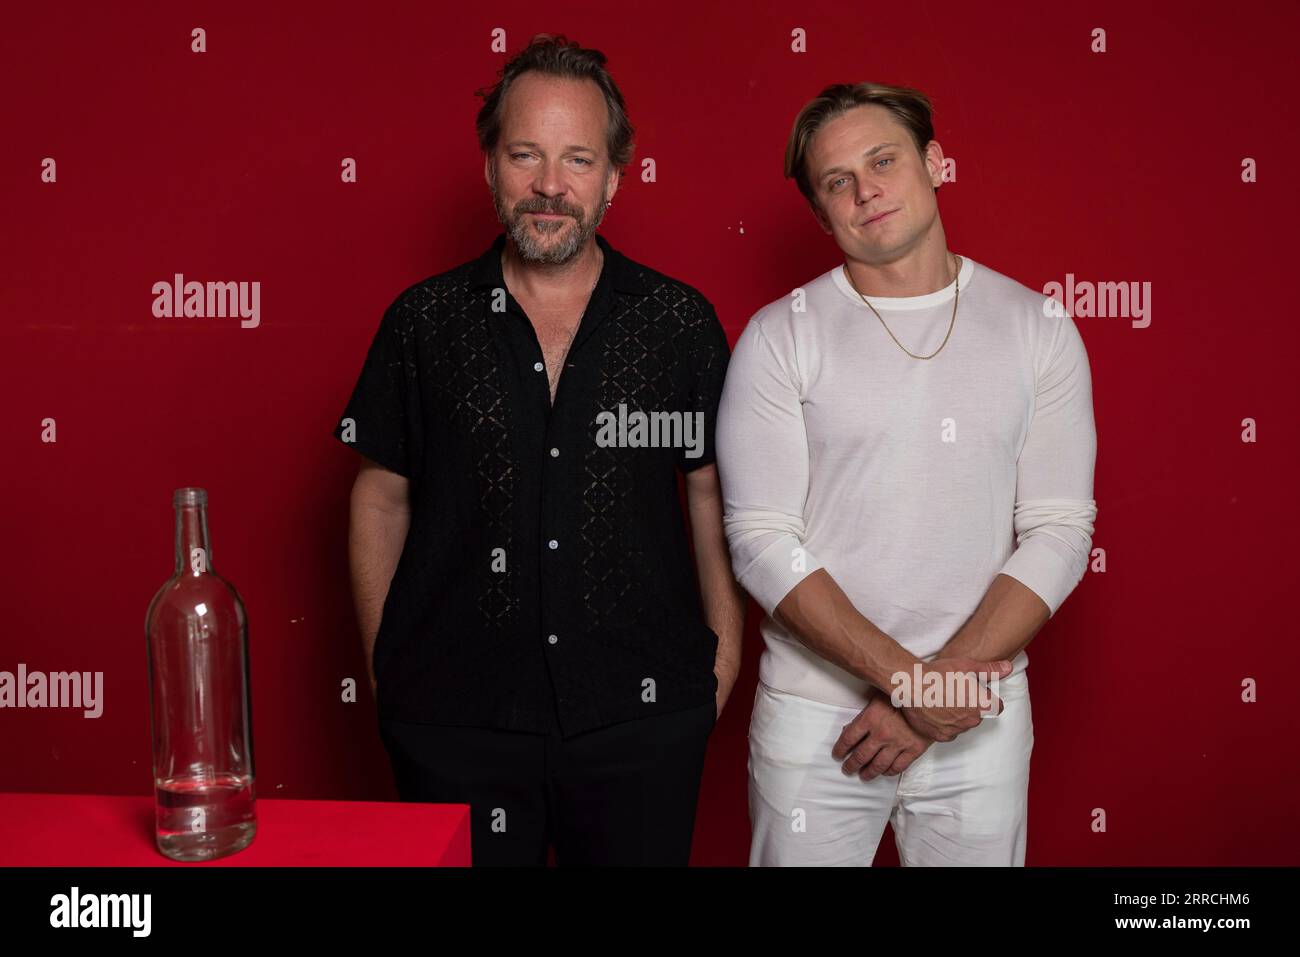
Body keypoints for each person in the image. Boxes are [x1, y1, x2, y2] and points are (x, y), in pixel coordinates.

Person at [331, 34, 743, 866]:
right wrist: (388, 665)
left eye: (578, 159)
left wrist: (722, 658)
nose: (550, 185)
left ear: (614, 178)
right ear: (489, 165)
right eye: (525, 154)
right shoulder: (423, 323)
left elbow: (707, 492)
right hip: (454, 720)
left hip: (642, 714)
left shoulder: (679, 325)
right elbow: (380, 495)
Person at [715, 81, 1098, 866]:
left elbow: (1058, 529)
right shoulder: (778, 338)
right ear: (823, 214)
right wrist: (911, 685)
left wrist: (940, 692)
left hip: (978, 716)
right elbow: (759, 538)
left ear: (935, 162)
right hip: (817, 720)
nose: (867, 190)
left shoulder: (1038, 329)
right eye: (837, 181)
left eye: (883, 160)